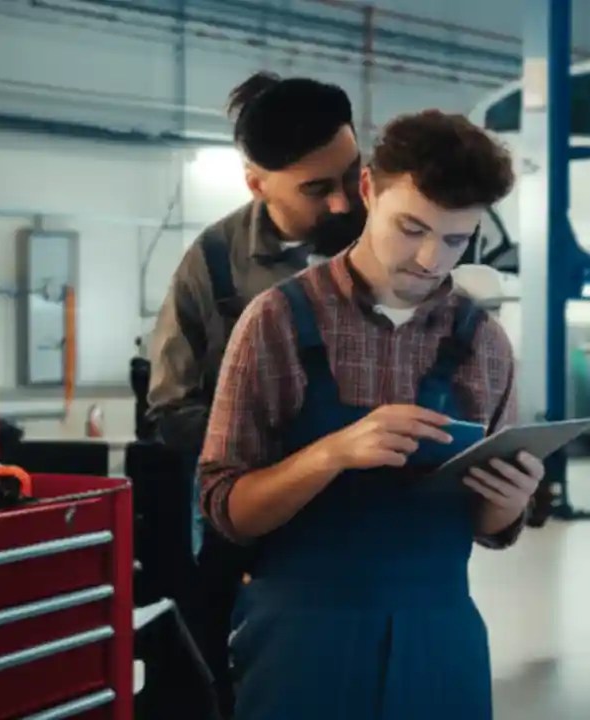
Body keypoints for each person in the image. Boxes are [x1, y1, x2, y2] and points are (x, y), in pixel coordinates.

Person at [198, 109, 545, 720]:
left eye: (457, 240)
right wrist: (331, 453)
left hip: (441, 641)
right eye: (411, 228)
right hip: (302, 646)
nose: (432, 260)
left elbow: (489, 529)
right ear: (367, 191)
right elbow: (228, 512)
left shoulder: (484, 343)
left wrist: (511, 498)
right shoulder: (276, 322)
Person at [144, 70, 365, 715]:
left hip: (368, 514)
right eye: (316, 188)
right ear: (257, 182)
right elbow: (171, 407)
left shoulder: (390, 235)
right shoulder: (214, 263)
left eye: (352, 175)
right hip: (255, 527)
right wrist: (282, 448)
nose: (345, 204)